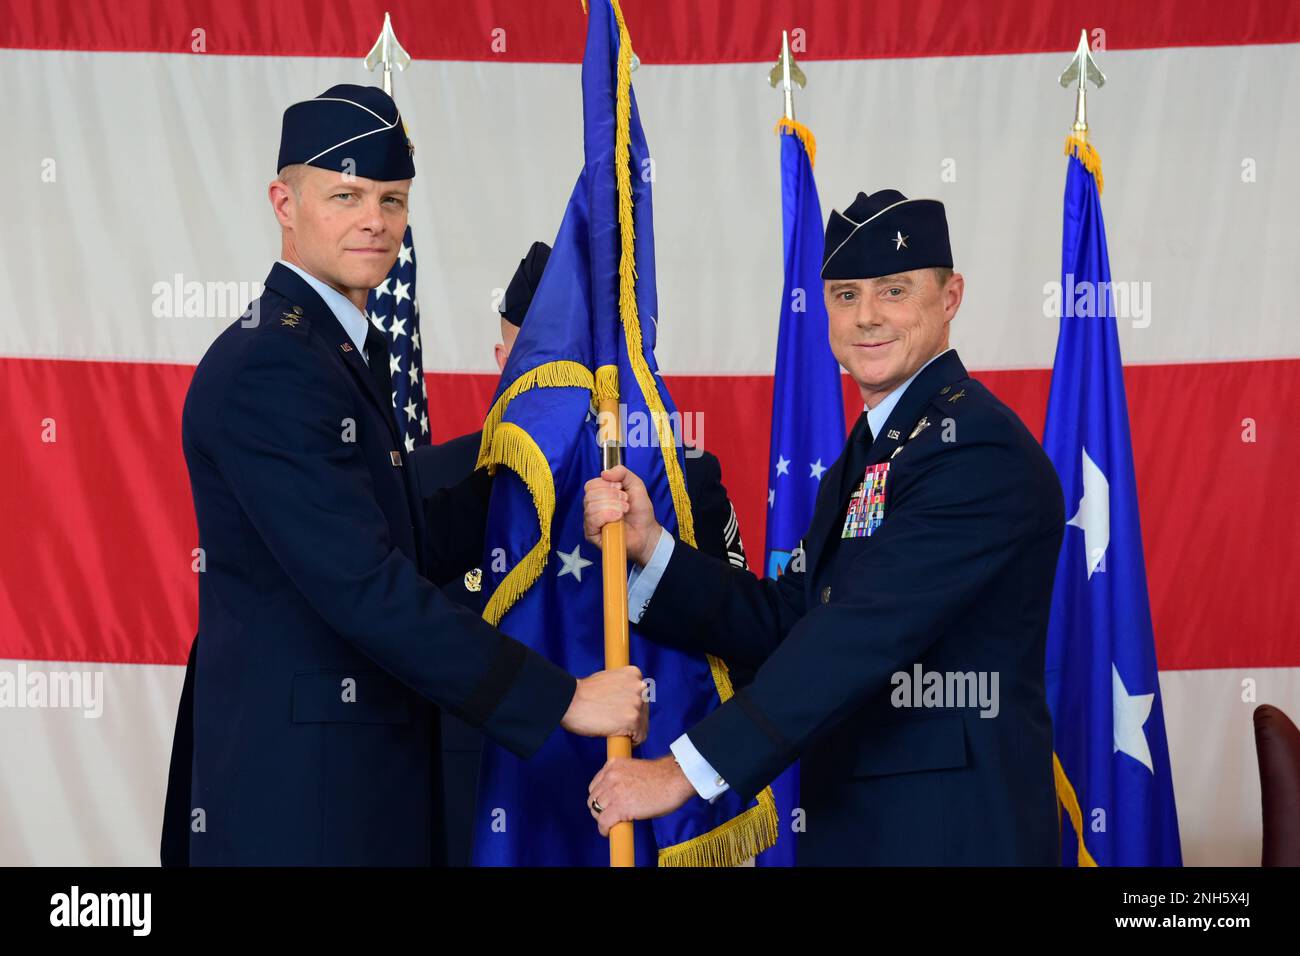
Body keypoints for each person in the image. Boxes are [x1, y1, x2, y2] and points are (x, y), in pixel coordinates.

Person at [161, 84, 647, 867]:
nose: (374, 221)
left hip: (346, 781)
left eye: (392, 199)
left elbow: (400, 540)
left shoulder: (330, 347)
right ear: (284, 202)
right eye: (345, 196)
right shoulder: (272, 366)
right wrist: (562, 697)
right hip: (302, 803)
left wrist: (543, 473)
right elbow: (366, 586)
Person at [582, 189, 1066, 865]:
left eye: (894, 291)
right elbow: (791, 622)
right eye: (845, 295)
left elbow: (855, 636)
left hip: (953, 836)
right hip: (867, 829)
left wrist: (681, 772)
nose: (867, 317)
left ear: (950, 297)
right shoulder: (877, 450)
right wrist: (650, 546)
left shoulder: (973, 450)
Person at [410, 240, 749, 865]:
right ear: (506, 360)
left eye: (584, 361)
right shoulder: (437, 479)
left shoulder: (681, 477)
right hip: (482, 802)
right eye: (544, 358)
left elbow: (735, 641)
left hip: (641, 809)